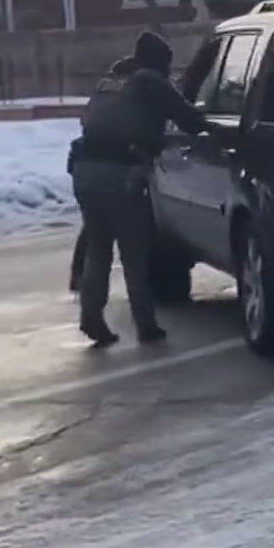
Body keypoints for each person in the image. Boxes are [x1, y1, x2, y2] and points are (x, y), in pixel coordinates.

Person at [68, 32, 205, 345]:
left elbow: (91, 120)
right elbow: (190, 120)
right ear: (160, 62)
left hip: (84, 170)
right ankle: (146, 325)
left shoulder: (112, 80)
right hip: (121, 173)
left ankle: (91, 318)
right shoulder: (151, 82)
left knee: (99, 248)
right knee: (134, 251)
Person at [67, 56, 138, 293]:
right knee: (110, 235)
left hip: (84, 166)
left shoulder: (98, 97)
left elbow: (86, 126)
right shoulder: (122, 98)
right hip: (110, 167)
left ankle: (79, 276)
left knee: (94, 228)